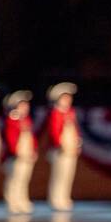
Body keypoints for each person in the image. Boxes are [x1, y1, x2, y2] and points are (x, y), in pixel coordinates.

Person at [44, 82, 80, 211]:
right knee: (59, 175)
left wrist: (77, 143)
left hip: (70, 149)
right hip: (59, 150)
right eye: (65, 97)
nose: (68, 100)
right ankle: (56, 199)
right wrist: (59, 144)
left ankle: (65, 198)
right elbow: (54, 131)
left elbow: (74, 130)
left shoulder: (70, 112)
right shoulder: (55, 113)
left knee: (67, 175)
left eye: (69, 97)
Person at [2, 90, 36, 215]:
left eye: (26, 105)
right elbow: (11, 137)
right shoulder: (12, 119)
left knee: (23, 179)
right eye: (22, 104)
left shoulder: (26, 120)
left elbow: (31, 137)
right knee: (14, 180)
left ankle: (22, 200)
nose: (25, 107)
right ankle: (12, 202)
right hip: (15, 156)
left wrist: (33, 150)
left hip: (26, 155)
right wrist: (15, 151)